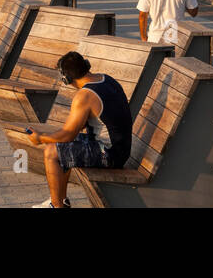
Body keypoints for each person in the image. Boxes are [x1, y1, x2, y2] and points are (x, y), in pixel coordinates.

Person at [26, 51, 133, 208]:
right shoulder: (106, 79)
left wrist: (40, 138)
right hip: (121, 147)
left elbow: (67, 136)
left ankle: (56, 206)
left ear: (67, 79)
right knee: (63, 147)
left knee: (51, 152)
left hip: (109, 154)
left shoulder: (85, 96)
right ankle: (60, 201)